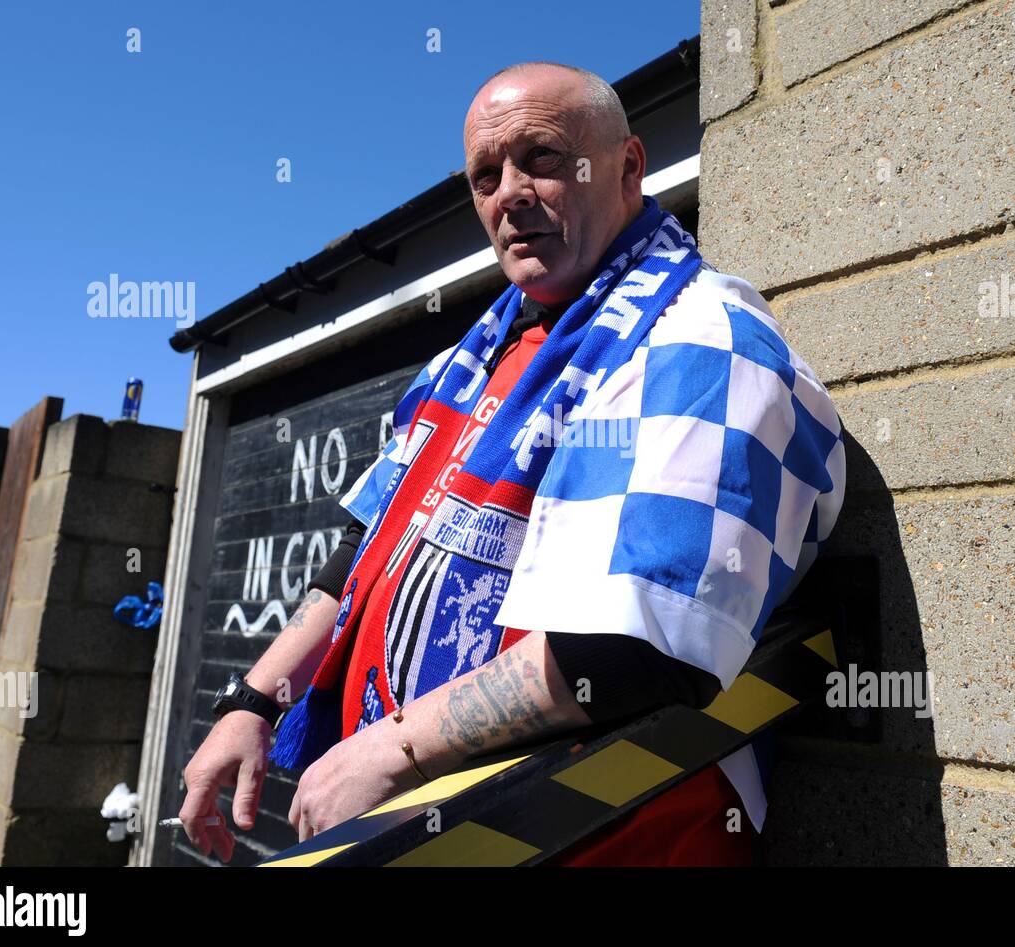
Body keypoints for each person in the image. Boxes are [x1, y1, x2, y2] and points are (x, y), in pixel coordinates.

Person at [179, 60, 845, 866]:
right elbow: (368, 549)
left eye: (541, 158)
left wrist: (399, 750)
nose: (510, 194)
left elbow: (643, 647)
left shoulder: (703, 342)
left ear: (629, 165)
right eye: (485, 175)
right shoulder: (473, 355)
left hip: (598, 839)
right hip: (433, 825)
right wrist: (253, 699)